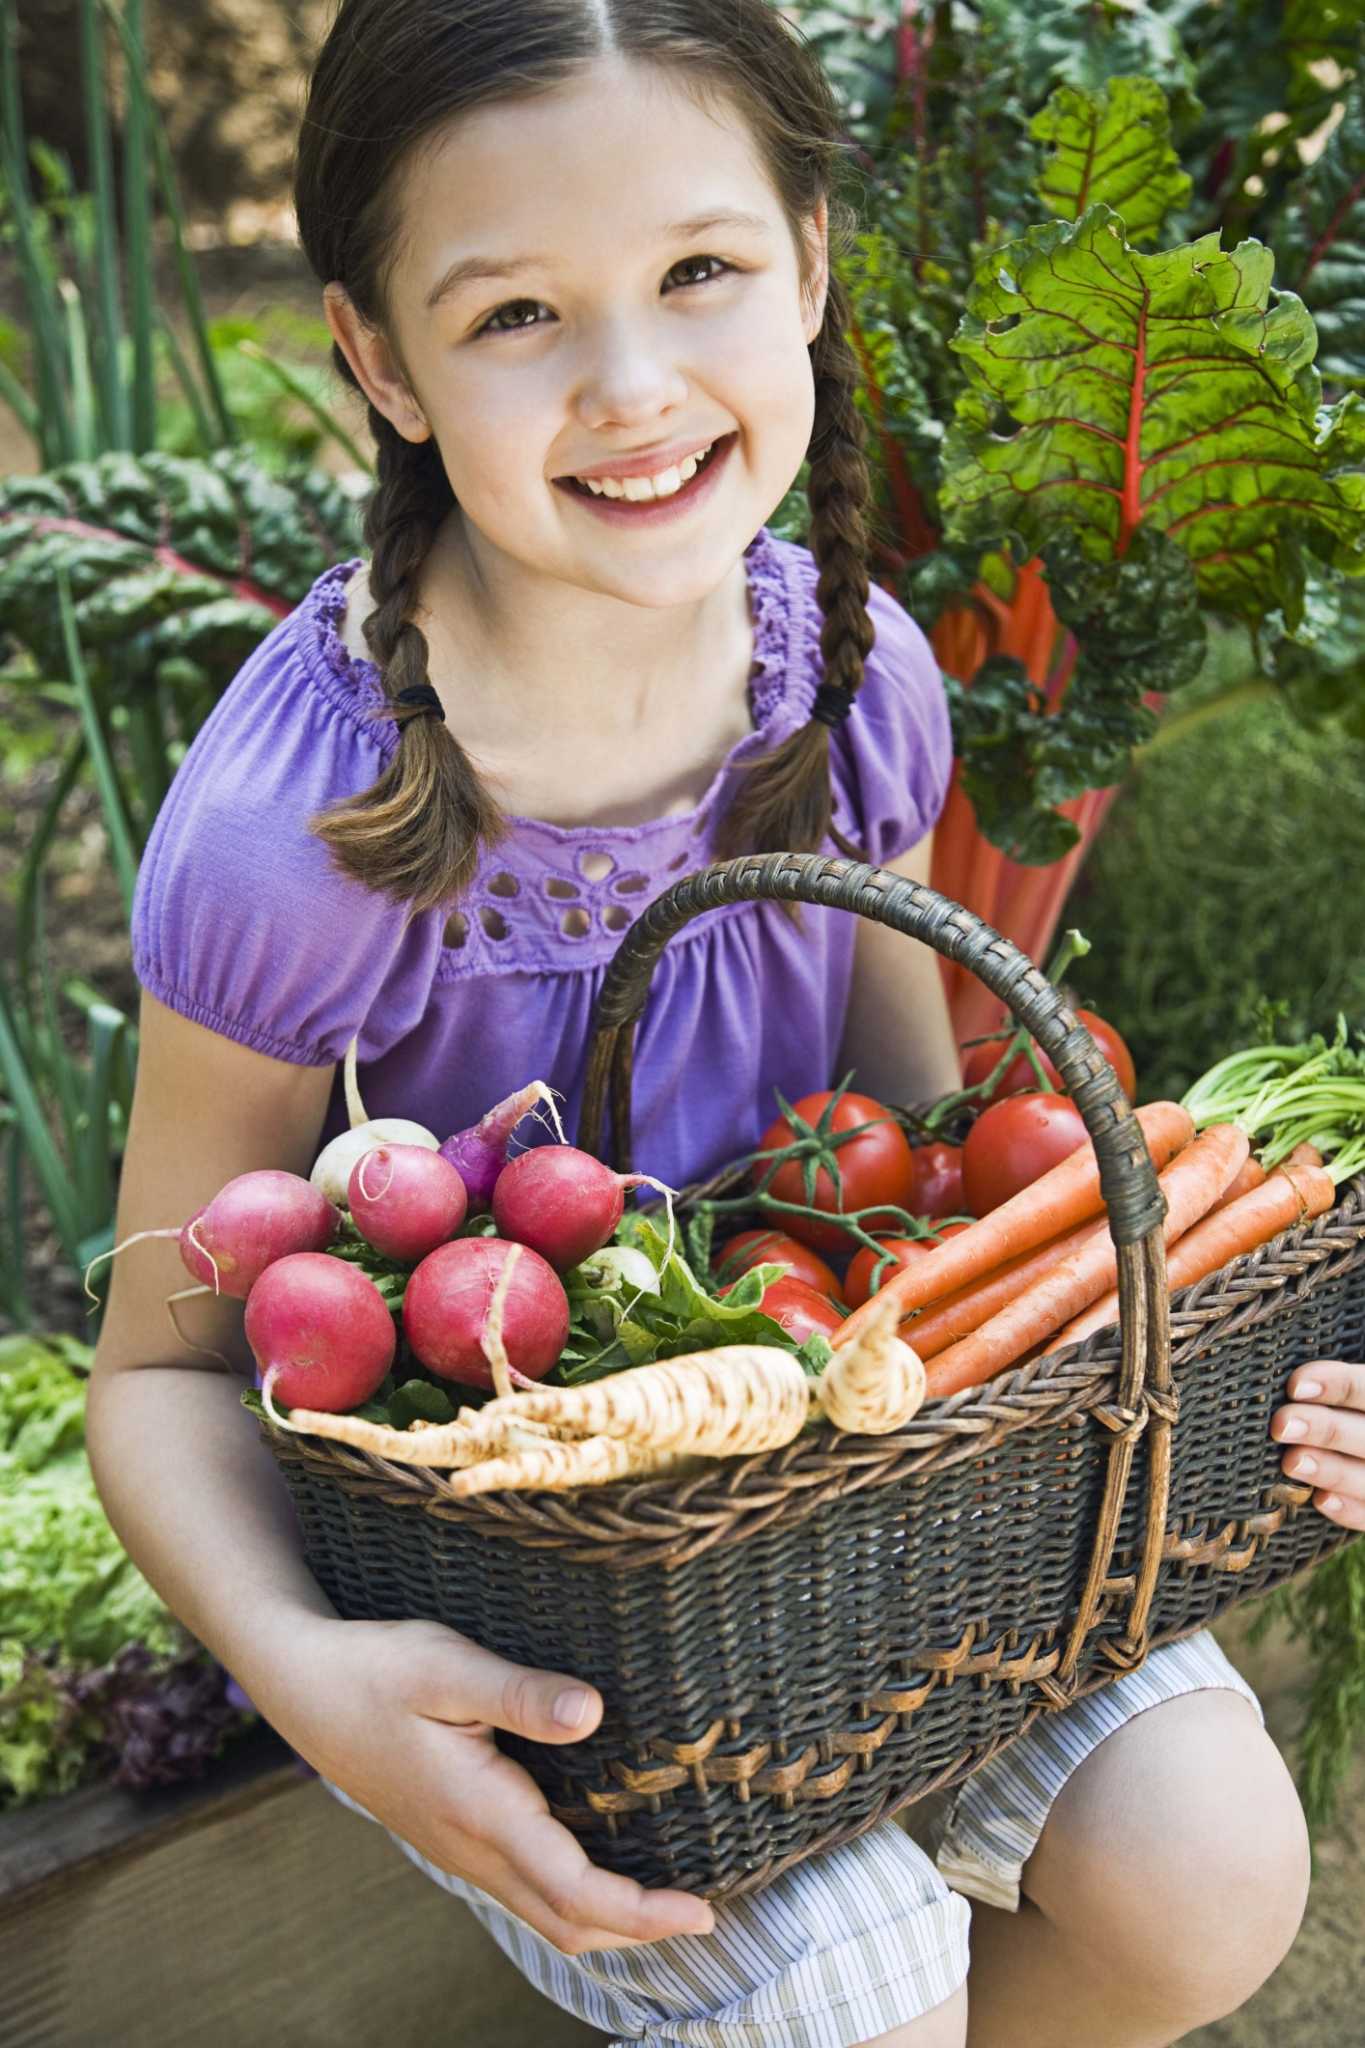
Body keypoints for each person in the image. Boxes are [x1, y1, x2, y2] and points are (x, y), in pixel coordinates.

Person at [85, 3, 1331, 2043]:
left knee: (1206, 1869)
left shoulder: (841, 674)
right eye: (512, 317)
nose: (632, 386)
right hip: (516, 1586)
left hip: (844, 1516)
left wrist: (1224, 1361)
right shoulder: (298, 836)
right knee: (853, 1985)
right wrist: (321, 1688)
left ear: (809, 261)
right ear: (379, 358)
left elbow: (918, 1177)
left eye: (697, 272)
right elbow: (151, 1369)